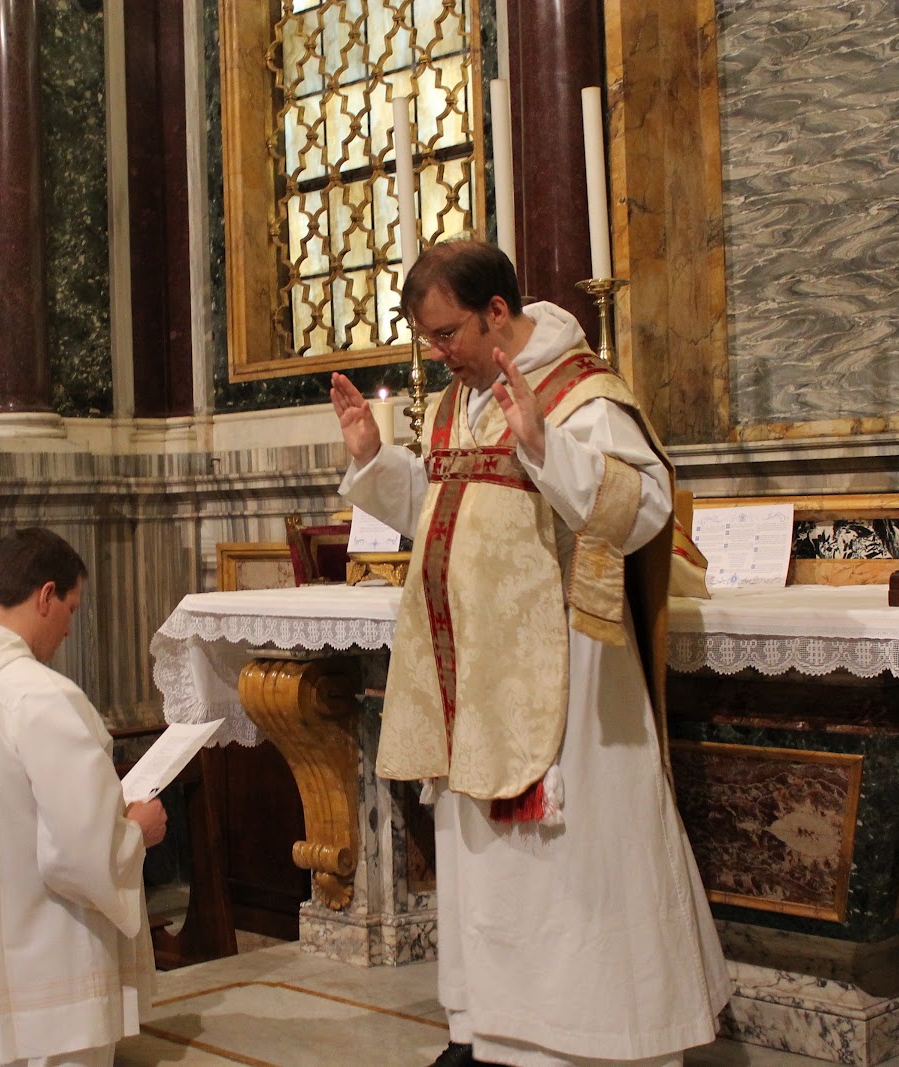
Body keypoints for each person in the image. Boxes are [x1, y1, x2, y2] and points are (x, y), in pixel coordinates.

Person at [330, 240, 730, 1067]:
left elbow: (646, 505)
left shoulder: (583, 394)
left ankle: (588, 1038)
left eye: (447, 334)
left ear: (499, 314)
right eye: (430, 339)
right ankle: (485, 1027)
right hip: (475, 671)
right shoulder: (456, 402)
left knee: (565, 860)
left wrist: (548, 444)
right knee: (482, 863)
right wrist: (374, 458)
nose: (439, 353)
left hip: (564, 677)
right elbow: (442, 503)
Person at [0, 528, 167, 1067]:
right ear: (45, 595)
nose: (69, 628)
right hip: (45, 981)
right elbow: (77, 854)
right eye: (71, 607)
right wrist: (137, 829)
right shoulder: (43, 696)